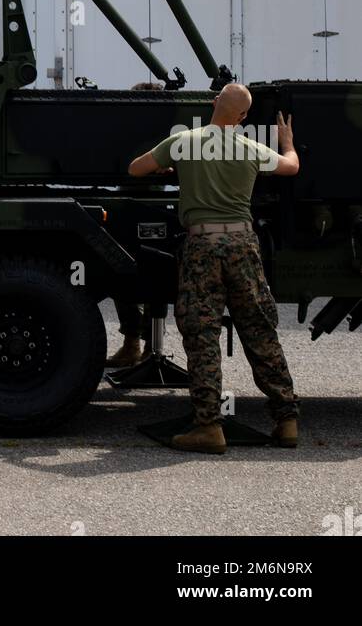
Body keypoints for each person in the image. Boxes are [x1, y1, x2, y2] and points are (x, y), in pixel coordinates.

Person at [128, 83, 300, 455]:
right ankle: (286, 421)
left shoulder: (184, 141)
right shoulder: (252, 147)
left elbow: (136, 168)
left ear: (213, 103)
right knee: (259, 330)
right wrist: (286, 141)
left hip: (202, 245)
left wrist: (176, 166)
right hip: (243, 244)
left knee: (202, 334)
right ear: (243, 117)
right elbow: (292, 167)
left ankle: (209, 427)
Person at [107, 81, 164, 367]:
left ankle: (143, 347)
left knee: (141, 277)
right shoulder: (137, 133)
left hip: (144, 210)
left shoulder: (157, 135)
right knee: (129, 276)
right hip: (136, 209)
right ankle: (140, 346)